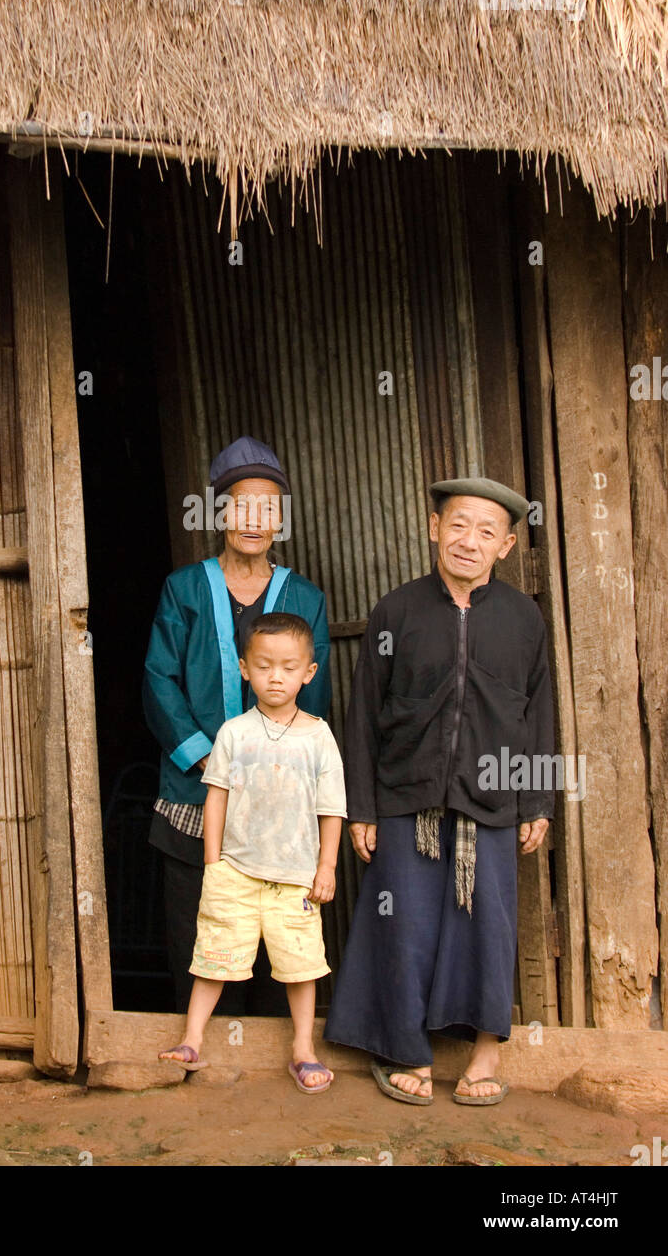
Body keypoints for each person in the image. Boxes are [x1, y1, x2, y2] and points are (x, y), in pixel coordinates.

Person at [324, 477, 555, 1105]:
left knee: (488, 926)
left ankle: (483, 1054)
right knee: (406, 924)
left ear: (505, 546)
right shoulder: (396, 612)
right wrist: (362, 807)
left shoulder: (523, 618)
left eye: (486, 531)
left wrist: (537, 800)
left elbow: (539, 713)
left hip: (493, 802)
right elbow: (364, 713)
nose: (468, 541)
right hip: (406, 799)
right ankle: (407, 1051)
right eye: (457, 525)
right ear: (433, 529)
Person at [143, 436, 331, 1011]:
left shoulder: (304, 597)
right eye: (240, 505)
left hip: (277, 793)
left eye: (268, 507)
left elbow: (312, 697)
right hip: (194, 790)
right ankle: (201, 1043)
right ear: (217, 512)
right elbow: (158, 679)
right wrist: (208, 757)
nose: (253, 519)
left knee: (279, 934)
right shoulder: (184, 589)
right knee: (202, 928)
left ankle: (273, 1050)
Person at [158, 612, 346, 1090]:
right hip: (236, 873)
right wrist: (212, 862)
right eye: (264, 666)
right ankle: (192, 1039)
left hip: (296, 879)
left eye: (288, 667)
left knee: (301, 966)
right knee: (213, 957)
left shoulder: (319, 737)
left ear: (309, 672)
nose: (275, 677)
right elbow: (216, 795)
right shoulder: (234, 733)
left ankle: (303, 1049)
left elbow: (332, 808)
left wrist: (326, 867)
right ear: (245, 669)